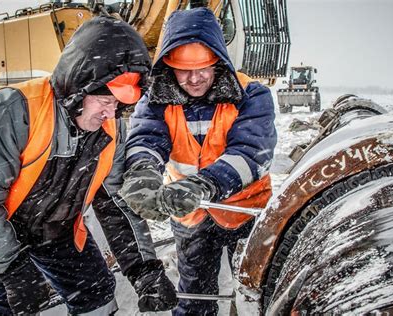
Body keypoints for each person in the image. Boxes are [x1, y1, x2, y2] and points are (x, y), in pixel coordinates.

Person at [0, 16, 177, 315]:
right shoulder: (13, 110)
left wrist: (144, 269)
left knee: (97, 296)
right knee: (6, 303)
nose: (111, 113)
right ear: (78, 84)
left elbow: (116, 205)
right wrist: (12, 268)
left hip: (58, 231)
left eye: (119, 104)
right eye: (104, 100)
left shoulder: (111, 130)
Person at [119, 8, 277, 316]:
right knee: (194, 299)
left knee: (258, 295)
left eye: (203, 67)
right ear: (168, 66)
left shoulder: (251, 94)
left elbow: (251, 151)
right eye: (183, 69)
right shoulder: (156, 99)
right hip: (190, 215)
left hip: (246, 212)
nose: (194, 78)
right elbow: (146, 140)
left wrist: (204, 184)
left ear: (218, 59)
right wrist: (142, 173)